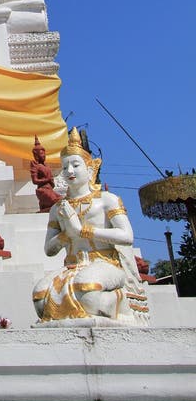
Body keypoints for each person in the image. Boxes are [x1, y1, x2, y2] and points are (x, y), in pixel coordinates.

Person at [32, 128, 148, 325]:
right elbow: (48, 250)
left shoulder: (107, 200)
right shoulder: (58, 208)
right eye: (65, 166)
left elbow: (127, 236)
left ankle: (119, 304)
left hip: (105, 263)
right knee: (40, 297)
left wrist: (83, 231)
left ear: (91, 168)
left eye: (75, 165)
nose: (69, 171)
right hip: (73, 265)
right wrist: (66, 235)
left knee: (86, 287)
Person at [30, 135, 61, 212]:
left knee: (63, 201)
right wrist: (46, 180)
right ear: (36, 155)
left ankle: (45, 207)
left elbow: (51, 178)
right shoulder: (36, 166)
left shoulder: (46, 166)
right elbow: (35, 180)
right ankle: (45, 207)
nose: (44, 155)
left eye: (44, 153)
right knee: (56, 202)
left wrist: (51, 181)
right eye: (41, 153)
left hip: (50, 189)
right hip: (42, 190)